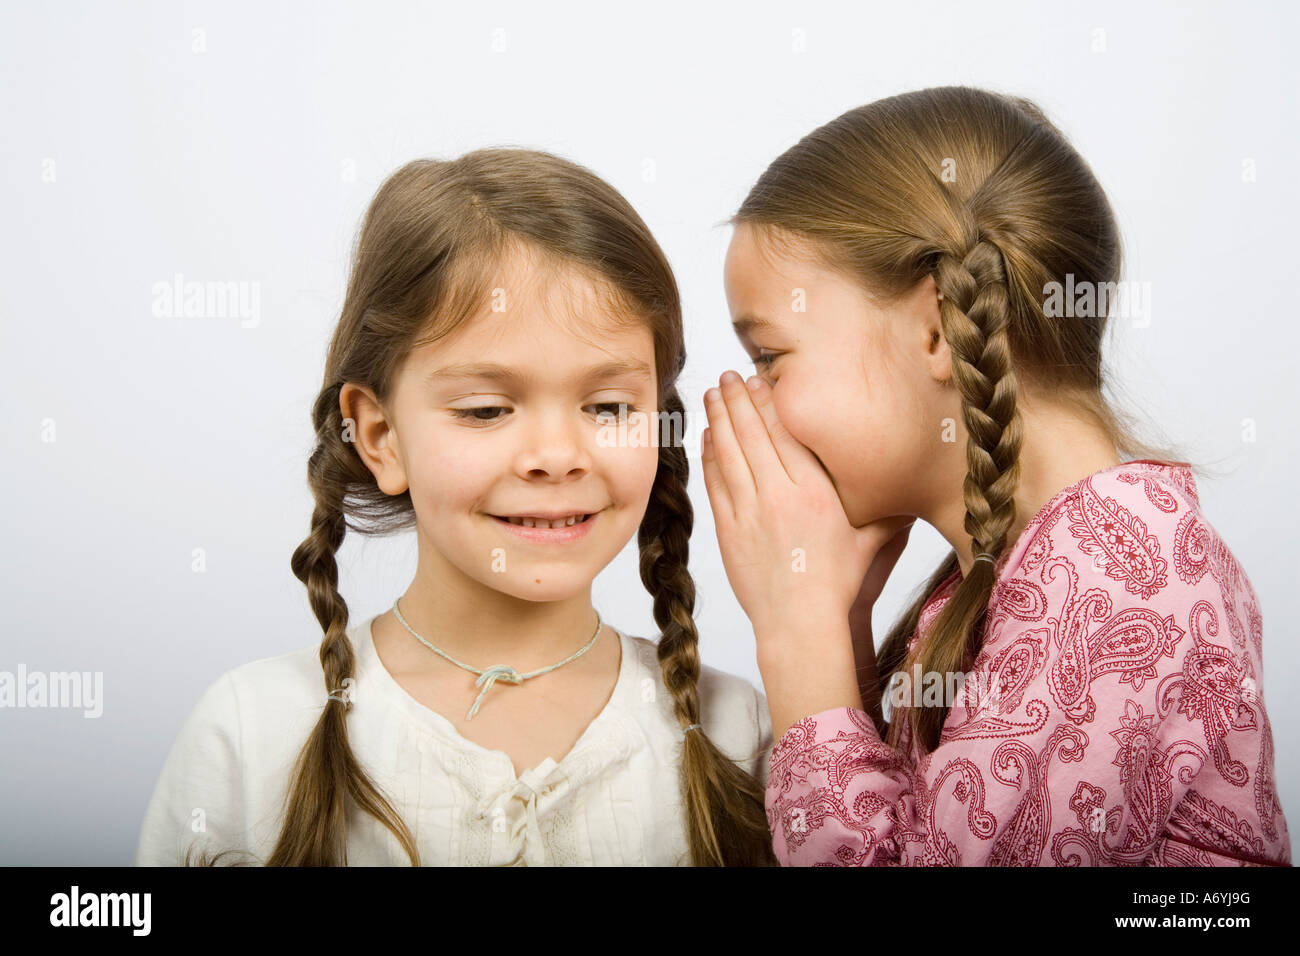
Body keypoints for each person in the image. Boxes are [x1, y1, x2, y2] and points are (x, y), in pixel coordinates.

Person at [134, 148, 774, 866]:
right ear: (381, 437)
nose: (556, 456)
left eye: (607, 406)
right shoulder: (252, 734)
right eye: (486, 409)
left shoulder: (735, 732)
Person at [700, 85, 1290, 865]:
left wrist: (795, 629)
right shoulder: (1044, 565)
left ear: (937, 330)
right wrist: (841, 624)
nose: (754, 407)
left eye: (769, 359)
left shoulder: (1117, 569)